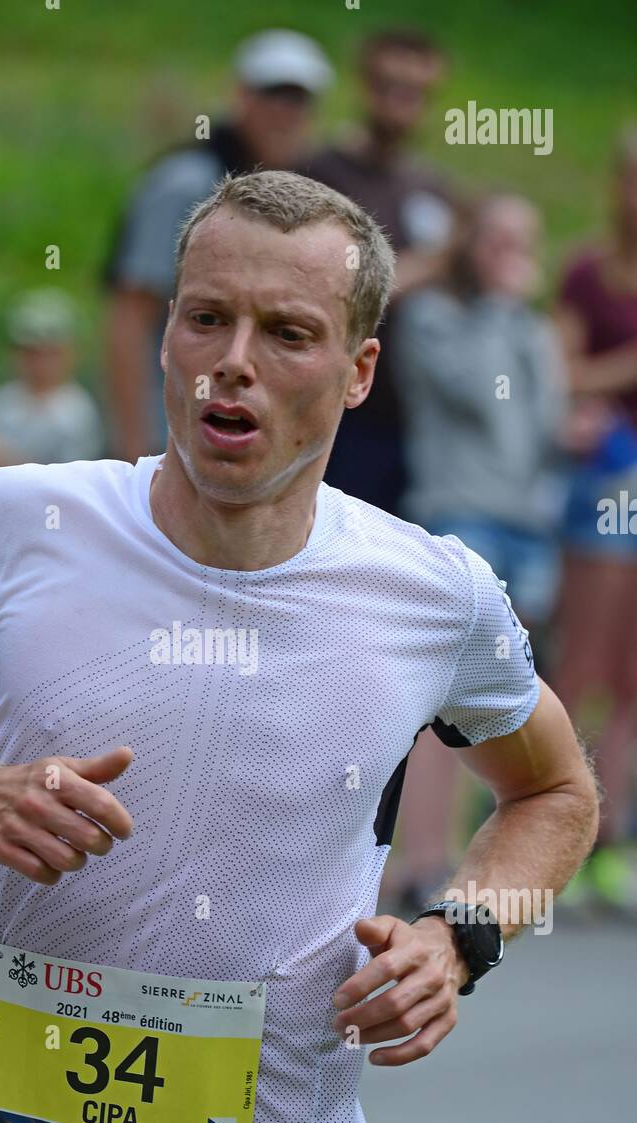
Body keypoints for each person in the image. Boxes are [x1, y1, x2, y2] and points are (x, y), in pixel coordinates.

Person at [0, 171, 598, 1123]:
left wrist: (461, 937)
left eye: (289, 332)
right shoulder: (24, 524)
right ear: (168, 330)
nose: (234, 359)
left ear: (361, 371)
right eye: (206, 315)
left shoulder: (436, 594)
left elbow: (557, 794)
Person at [387, 194, 567, 907]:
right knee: (438, 701)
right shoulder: (434, 316)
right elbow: (477, 396)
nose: (506, 255)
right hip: (458, 516)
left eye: (520, 242)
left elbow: (545, 420)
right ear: (468, 245)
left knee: (491, 702)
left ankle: (458, 860)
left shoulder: (529, 327)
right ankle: (419, 859)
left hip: (524, 524)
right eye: (493, 239)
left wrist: (524, 327)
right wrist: (500, 311)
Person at [104, 29, 333, 464]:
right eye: (273, 95)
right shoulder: (184, 183)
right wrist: (132, 448)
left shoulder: (294, 192)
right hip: (167, 435)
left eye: (298, 99)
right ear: (243, 97)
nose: (285, 112)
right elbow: (130, 316)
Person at [302, 28, 454, 514]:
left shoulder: (434, 189)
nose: (402, 101)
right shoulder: (319, 177)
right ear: (365, 86)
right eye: (390, 85)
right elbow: (312, 291)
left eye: (416, 91)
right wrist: (422, 269)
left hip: (418, 418)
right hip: (338, 411)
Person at [552, 127, 637, 908]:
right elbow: (563, 374)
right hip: (609, 480)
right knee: (583, 662)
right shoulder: (586, 273)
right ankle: (554, 823)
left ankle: (612, 840)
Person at [0, 289, 102, 485]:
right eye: (31, 352)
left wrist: (2, 461)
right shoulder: (0, 400)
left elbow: (74, 483)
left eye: (50, 352)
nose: (40, 362)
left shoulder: (76, 410)